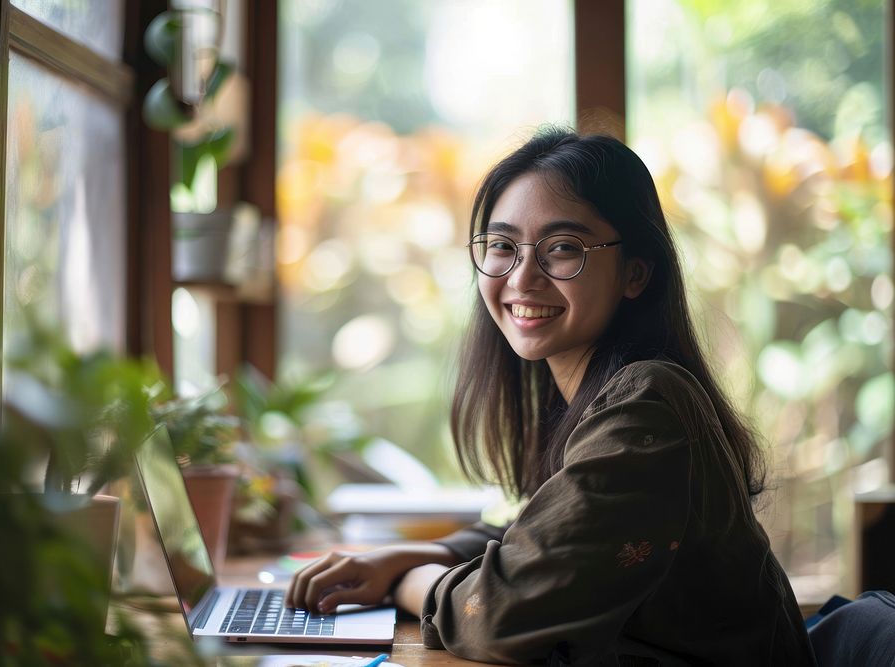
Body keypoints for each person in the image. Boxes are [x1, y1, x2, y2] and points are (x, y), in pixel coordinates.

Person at [285, 127, 815, 665]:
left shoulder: (645, 402)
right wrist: (420, 553)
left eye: (563, 248)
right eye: (502, 246)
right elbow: (543, 536)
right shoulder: (591, 391)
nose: (522, 277)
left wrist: (406, 581)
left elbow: (499, 613)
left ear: (635, 272)